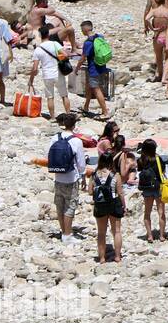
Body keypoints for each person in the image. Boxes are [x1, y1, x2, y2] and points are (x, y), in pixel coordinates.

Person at [48, 112, 85, 244]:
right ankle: (67, 235)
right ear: (74, 125)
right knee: (70, 206)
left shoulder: (55, 138)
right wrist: (82, 174)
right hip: (71, 178)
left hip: (57, 177)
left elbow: (49, 156)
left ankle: (63, 231)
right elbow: (81, 164)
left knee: (60, 205)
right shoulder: (76, 141)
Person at [28, 24, 71, 118]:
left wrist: (31, 80)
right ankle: (68, 116)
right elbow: (65, 55)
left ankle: (52, 117)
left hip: (47, 75)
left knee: (50, 97)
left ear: (39, 35)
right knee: (64, 95)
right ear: (48, 34)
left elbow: (35, 68)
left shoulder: (38, 49)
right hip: (58, 73)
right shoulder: (55, 44)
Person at [90, 151, 125, 263]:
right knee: (117, 231)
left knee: (101, 233)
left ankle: (101, 258)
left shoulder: (94, 175)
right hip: (114, 203)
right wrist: (124, 205)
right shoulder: (115, 175)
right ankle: (117, 256)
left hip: (100, 205)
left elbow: (90, 192)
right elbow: (120, 192)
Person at [77, 20, 111, 119]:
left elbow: (83, 58)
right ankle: (86, 107)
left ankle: (105, 112)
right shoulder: (100, 37)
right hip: (102, 65)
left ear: (85, 29)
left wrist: (76, 70)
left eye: (81, 29)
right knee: (89, 86)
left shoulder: (88, 42)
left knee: (96, 89)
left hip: (93, 69)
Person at [136, 138, 168, 242]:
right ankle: (162, 235)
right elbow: (163, 171)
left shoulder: (141, 160)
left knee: (147, 213)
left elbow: (140, 170)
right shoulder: (158, 159)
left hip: (147, 188)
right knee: (161, 212)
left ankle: (149, 236)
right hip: (158, 187)